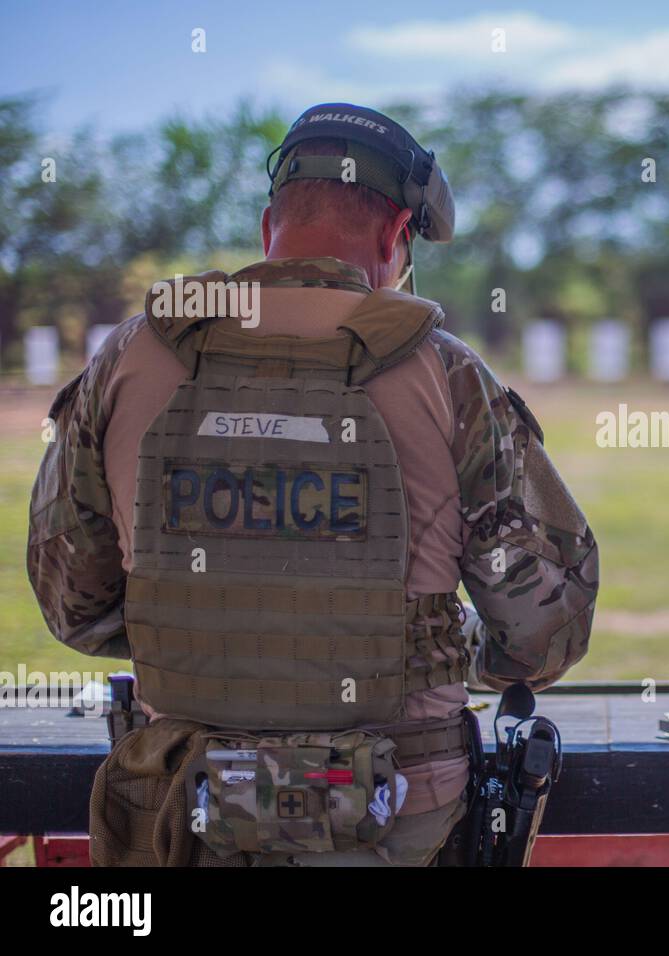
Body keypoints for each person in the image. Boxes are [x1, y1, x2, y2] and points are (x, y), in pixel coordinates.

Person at [27, 103, 599, 867]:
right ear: (398, 237)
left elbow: (73, 604)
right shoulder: (447, 374)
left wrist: (215, 633)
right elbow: (542, 633)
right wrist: (444, 644)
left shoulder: (133, 357)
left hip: (180, 807)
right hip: (394, 819)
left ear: (271, 227)